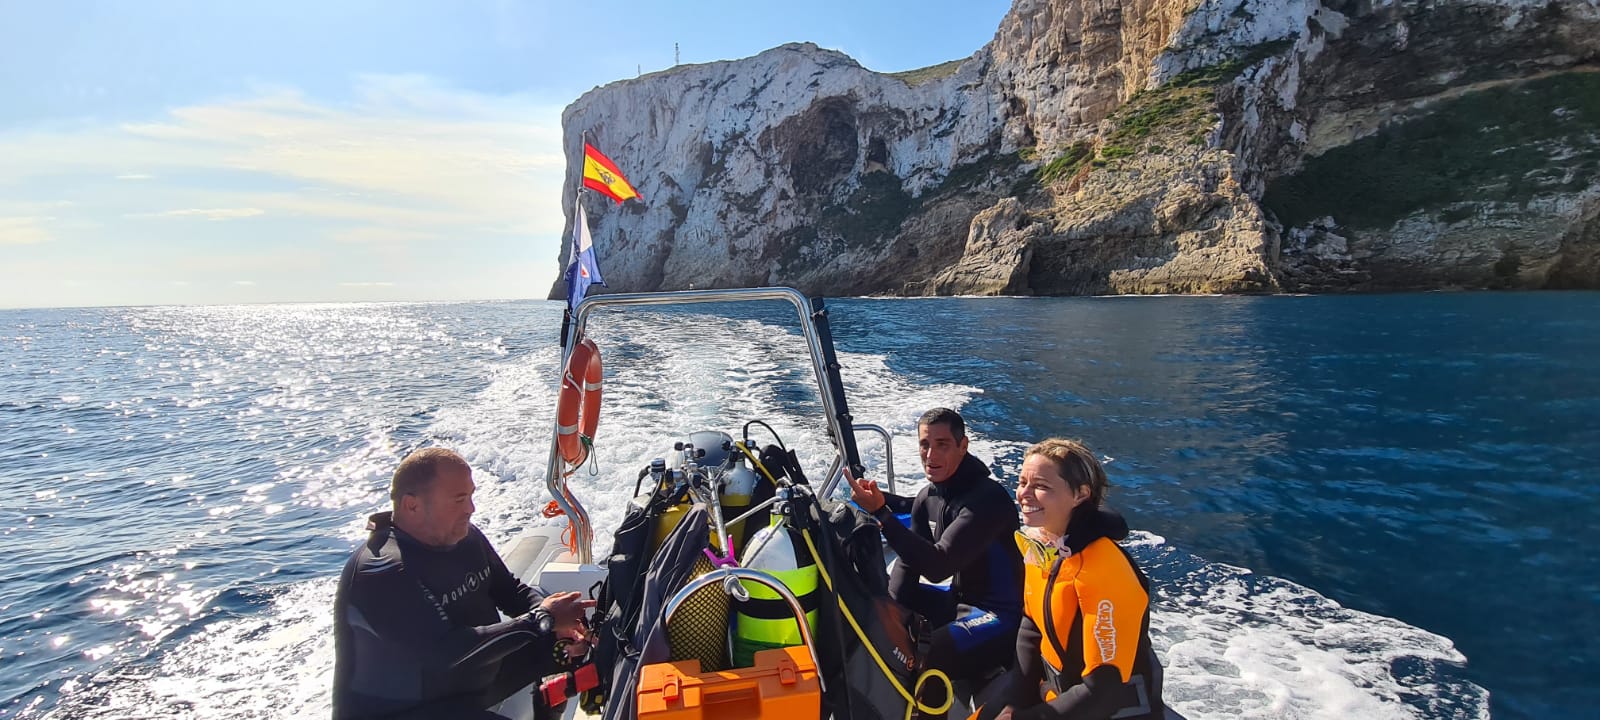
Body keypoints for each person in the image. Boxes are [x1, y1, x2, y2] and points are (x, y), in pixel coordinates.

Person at [332, 447, 595, 719]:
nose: (471, 509)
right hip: (407, 708)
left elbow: (511, 591)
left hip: (468, 683)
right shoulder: (381, 570)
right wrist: (543, 620)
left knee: (573, 649)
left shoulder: (465, 537)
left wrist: (561, 626)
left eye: (471, 496)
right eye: (459, 499)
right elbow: (446, 655)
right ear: (412, 505)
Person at [848, 408, 1024, 717]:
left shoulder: (986, 500)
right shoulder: (927, 497)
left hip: (1002, 617)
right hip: (958, 602)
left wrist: (882, 514)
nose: (931, 454)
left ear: (963, 446)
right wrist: (890, 613)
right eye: (925, 444)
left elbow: (938, 565)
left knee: (933, 652)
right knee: (871, 610)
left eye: (942, 444)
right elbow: (908, 567)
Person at [985, 438, 1166, 720]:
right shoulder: (1044, 545)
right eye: (1022, 483)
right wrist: (1015, 702)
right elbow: (1031, 628)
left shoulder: (1103, 571)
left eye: (1041, 487)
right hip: (1060, 696)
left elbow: (1103, 692)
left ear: (1081, 494)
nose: (1024, 494)